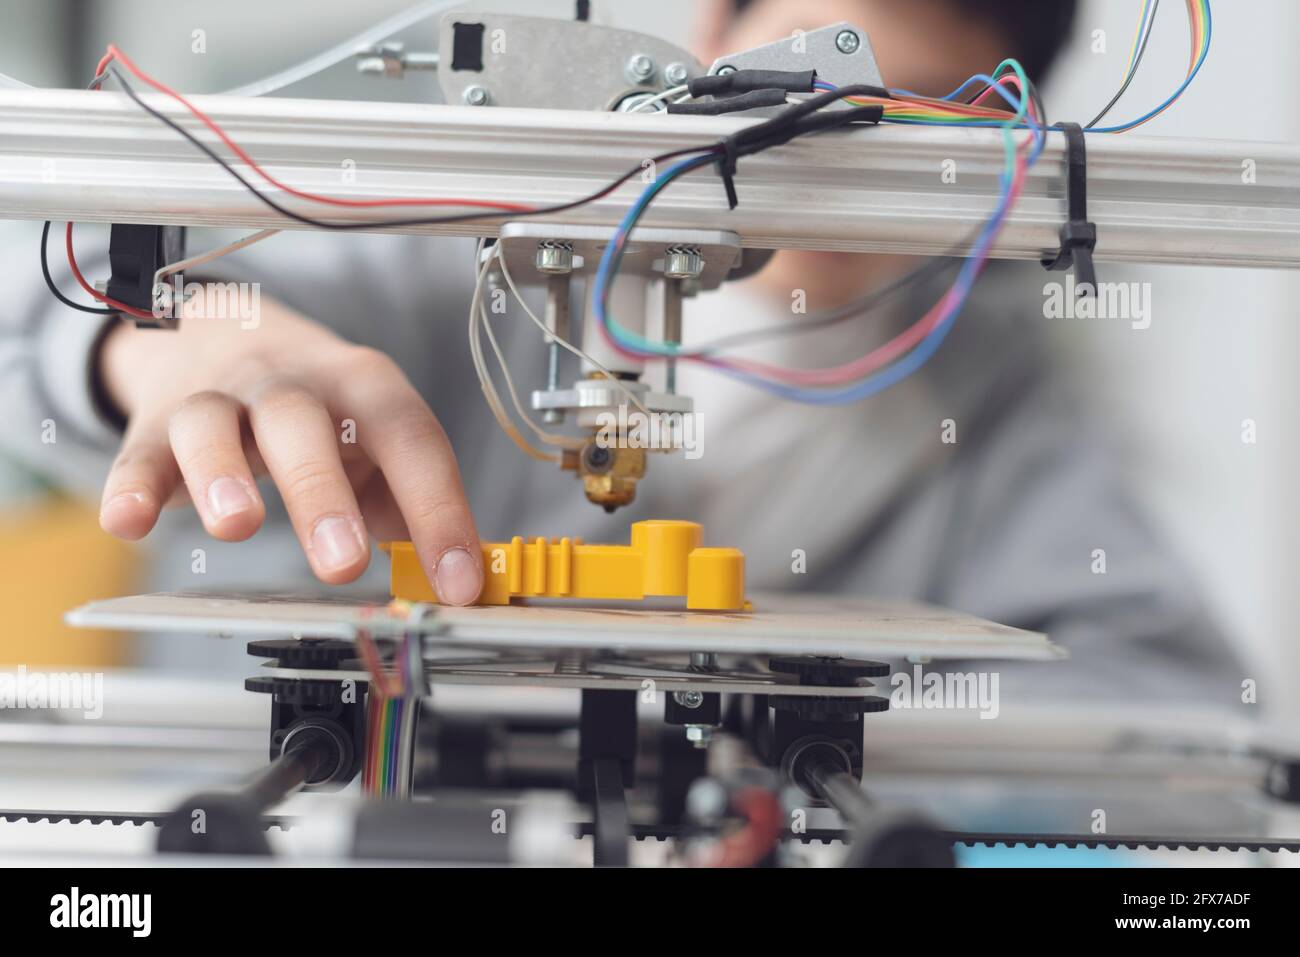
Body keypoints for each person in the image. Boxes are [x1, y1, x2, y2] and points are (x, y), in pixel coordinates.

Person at [0, 0, 1241, 699]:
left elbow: (1168, 706)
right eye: (789, 100)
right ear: (709, 33)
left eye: (907, 133)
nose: (823, 160)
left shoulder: (991, 396)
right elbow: (43, 297)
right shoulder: (444, 238)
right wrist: (164, 350)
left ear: (1002, 143)